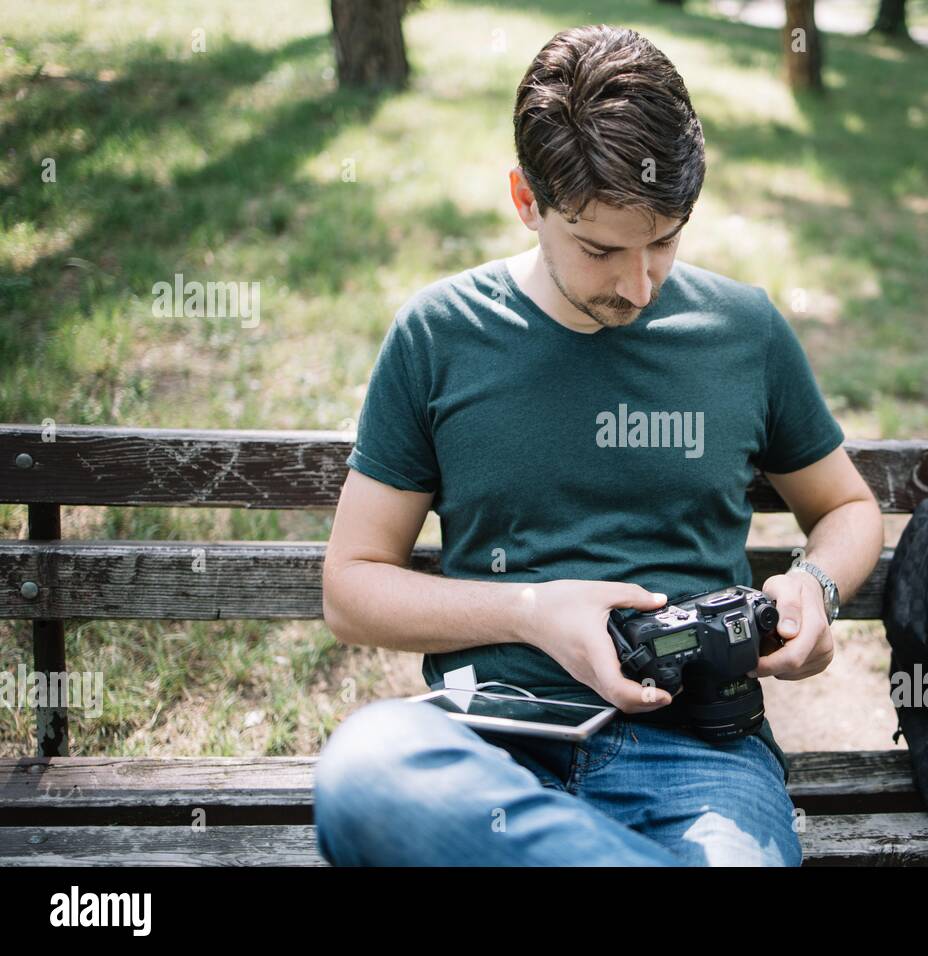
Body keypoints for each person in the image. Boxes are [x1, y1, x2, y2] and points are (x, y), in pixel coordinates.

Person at [313, 23, 884, 866]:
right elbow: (350, 588)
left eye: (664, 239)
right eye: (601, 249)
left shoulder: (743, 331)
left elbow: (846, 505)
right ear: (525, 199)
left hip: (698, 755)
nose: (639, 284)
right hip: (493, 743)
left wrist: (814, 583)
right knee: (367, 770)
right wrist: (533, 614)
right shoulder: (439, 336)